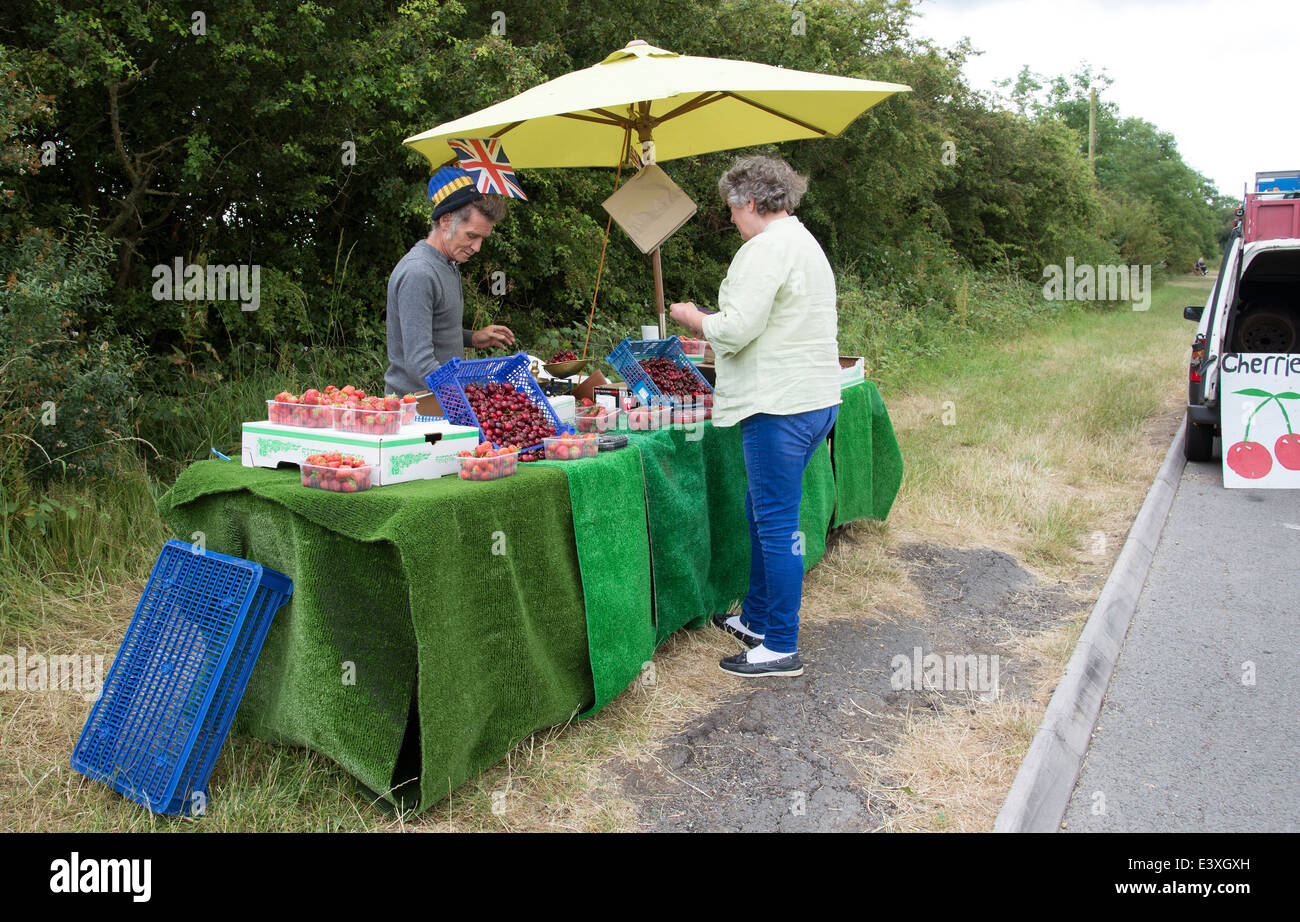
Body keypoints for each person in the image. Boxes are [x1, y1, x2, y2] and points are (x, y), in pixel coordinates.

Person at [669, 155, 841, 678]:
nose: (731, 221)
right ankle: (759, 618)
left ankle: (780, 646)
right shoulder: (804, 241)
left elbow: (738, 328)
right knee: (761, 510)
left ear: (748, 202)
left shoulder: (765, 248)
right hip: (815, 400)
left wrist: (694, 318)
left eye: (731, 210)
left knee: (776, 525)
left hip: (779, 405)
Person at [384, 165, 516, 397]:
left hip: (442, 400)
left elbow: (434, 331)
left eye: (482, 238)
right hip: (416, 408)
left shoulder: (446, 264)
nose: (477, 248)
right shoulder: (419, 272)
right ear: (446, 221)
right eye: (471, 236)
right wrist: (472, 399)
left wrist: (473, 338)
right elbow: (419, 363)